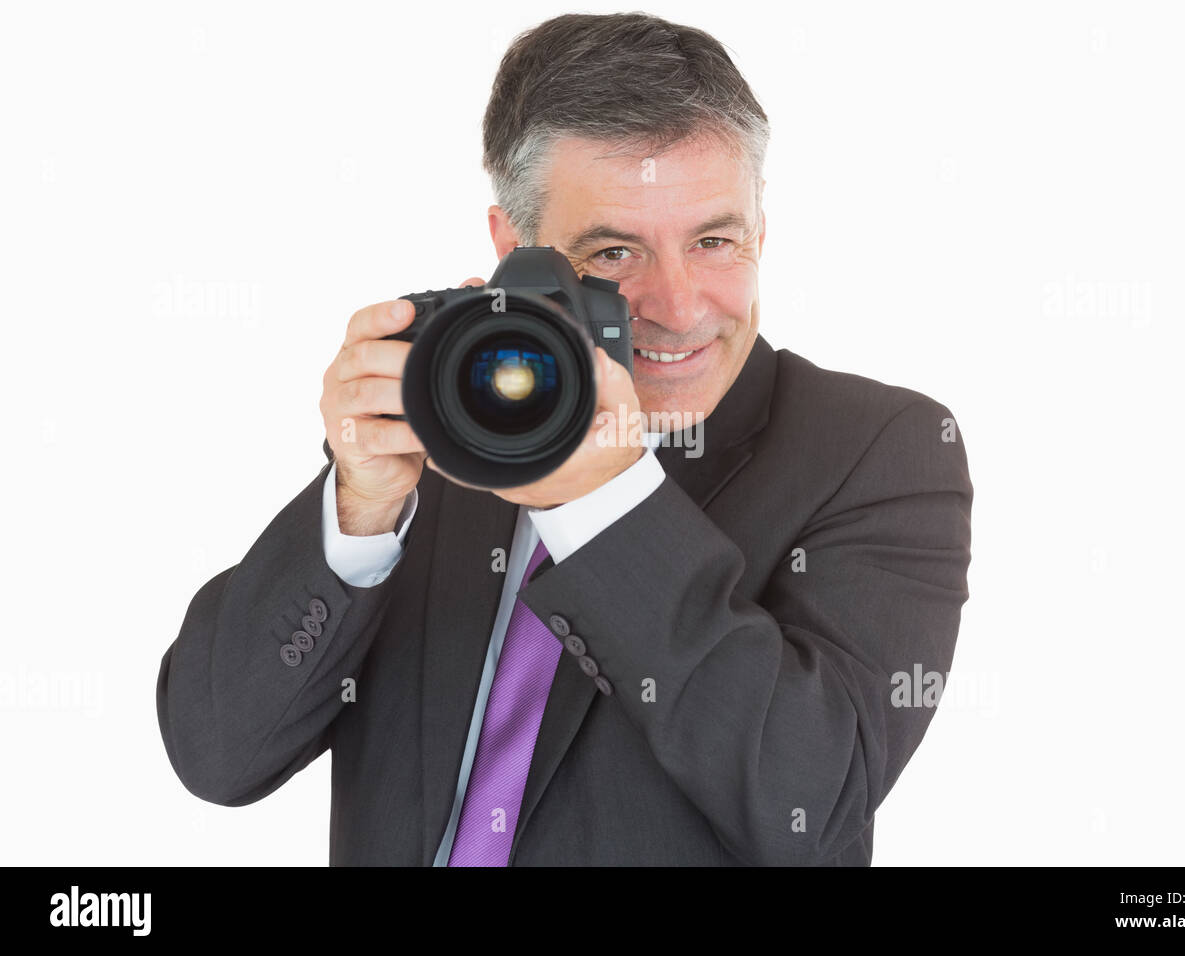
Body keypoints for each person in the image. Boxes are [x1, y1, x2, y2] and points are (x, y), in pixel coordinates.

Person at [156, 12, 973, 866]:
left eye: (714, 240)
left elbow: (811, 795)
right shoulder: (452, 412)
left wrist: (604, 499)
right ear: (514, 247)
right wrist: (359, 511)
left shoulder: (881, 451)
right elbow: (217, 757)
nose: (681, 306)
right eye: (615, 252)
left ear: (761, 234)